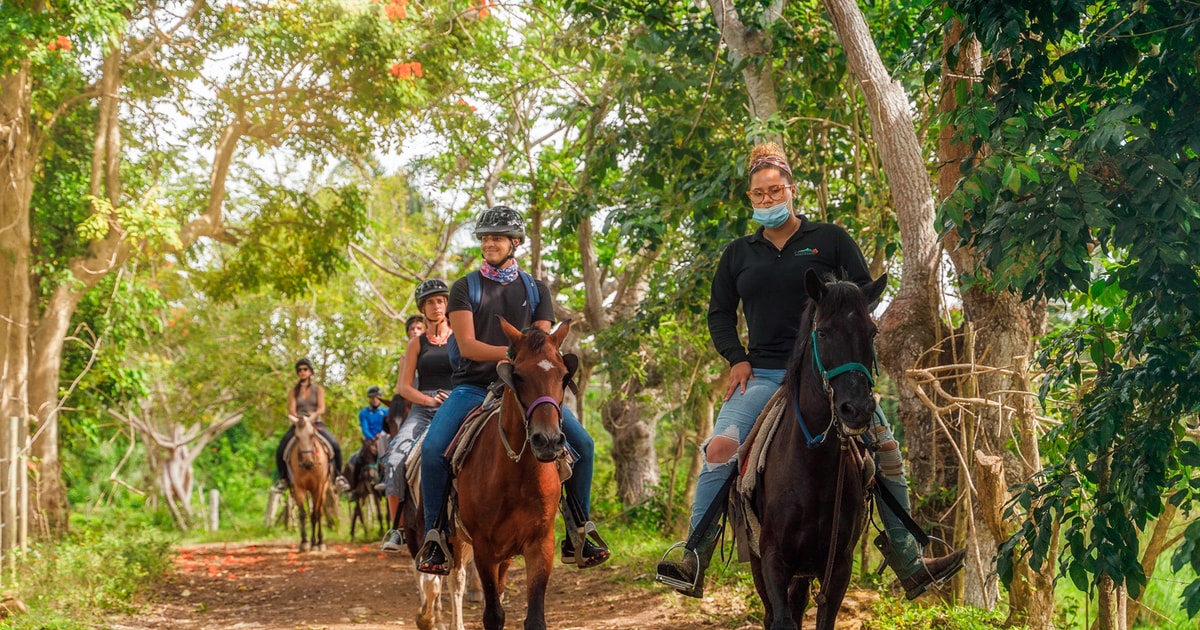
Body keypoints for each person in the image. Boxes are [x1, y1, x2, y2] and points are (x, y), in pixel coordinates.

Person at [655, 143, 966, 600]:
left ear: (791, 190)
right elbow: (719, 313)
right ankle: (692, 555)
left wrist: (845, 333)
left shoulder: (830, 238)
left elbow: (864, 295)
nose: (768, 199)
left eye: (775, 190)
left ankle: (908, 559)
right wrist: (736, 358)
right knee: (720, 449)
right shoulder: (739, 253)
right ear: (750, 198)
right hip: (762, 374)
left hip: (826, 374)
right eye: (759, 193)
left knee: (886, 448)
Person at [414, 205, 610, 575]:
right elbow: (468, 345)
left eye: (497, 238)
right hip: (473, 387)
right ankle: (436, 537)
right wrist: (513, 355)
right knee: (433, 448)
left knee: (583, 445)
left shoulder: (536, 290)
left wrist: (524, 364)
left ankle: (579, 530)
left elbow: (543, 347)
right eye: (485, 238)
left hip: (525, 390)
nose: (489, 243)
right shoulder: (464, 288)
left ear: (515, 243)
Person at [380, 279, 454, 552]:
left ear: (447, 305)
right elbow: (403, 387)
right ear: (422, 308)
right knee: (394, 458)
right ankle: (397, 528)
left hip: (456, 404)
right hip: (423, 409)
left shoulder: (460, 337)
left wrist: (455, 396)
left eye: (441, 301)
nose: (436, 307)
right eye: (430, 302)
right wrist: (428, 399)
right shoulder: (416, 343)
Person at [274, 358, 350, 493]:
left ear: (310, 371)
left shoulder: (318, 389)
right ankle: (283, 479)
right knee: (281, 449)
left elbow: (321, 409)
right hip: (299, 424)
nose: (302, 372)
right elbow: (292, 411)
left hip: (315, 422)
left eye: (305, 369)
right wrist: (298, 420)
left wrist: (311, 419)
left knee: (335, 445)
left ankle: (339, 477)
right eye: (299, 370)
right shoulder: (293, 392)